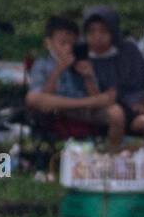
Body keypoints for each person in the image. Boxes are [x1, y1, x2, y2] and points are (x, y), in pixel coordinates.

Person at [80, 6, 144, 149]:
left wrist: (139, 101)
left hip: (138, 107)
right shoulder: (82, 56)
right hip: (102, 110)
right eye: (91, 32)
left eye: (103, 31)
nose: (97, 37)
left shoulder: (128, 50)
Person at [25, 14, 121, 143]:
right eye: (63, 43)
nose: (68, 48)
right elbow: (42, 98)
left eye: (72, 43)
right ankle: (84, 103)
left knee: (116, 112)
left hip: (81, 107)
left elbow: (96, 97)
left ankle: (112, 150)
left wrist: (88, 77)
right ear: (49, 43)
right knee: (32, 98)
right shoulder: (43, 63)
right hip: (56, 107)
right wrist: (58, 69)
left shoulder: (81, 59)